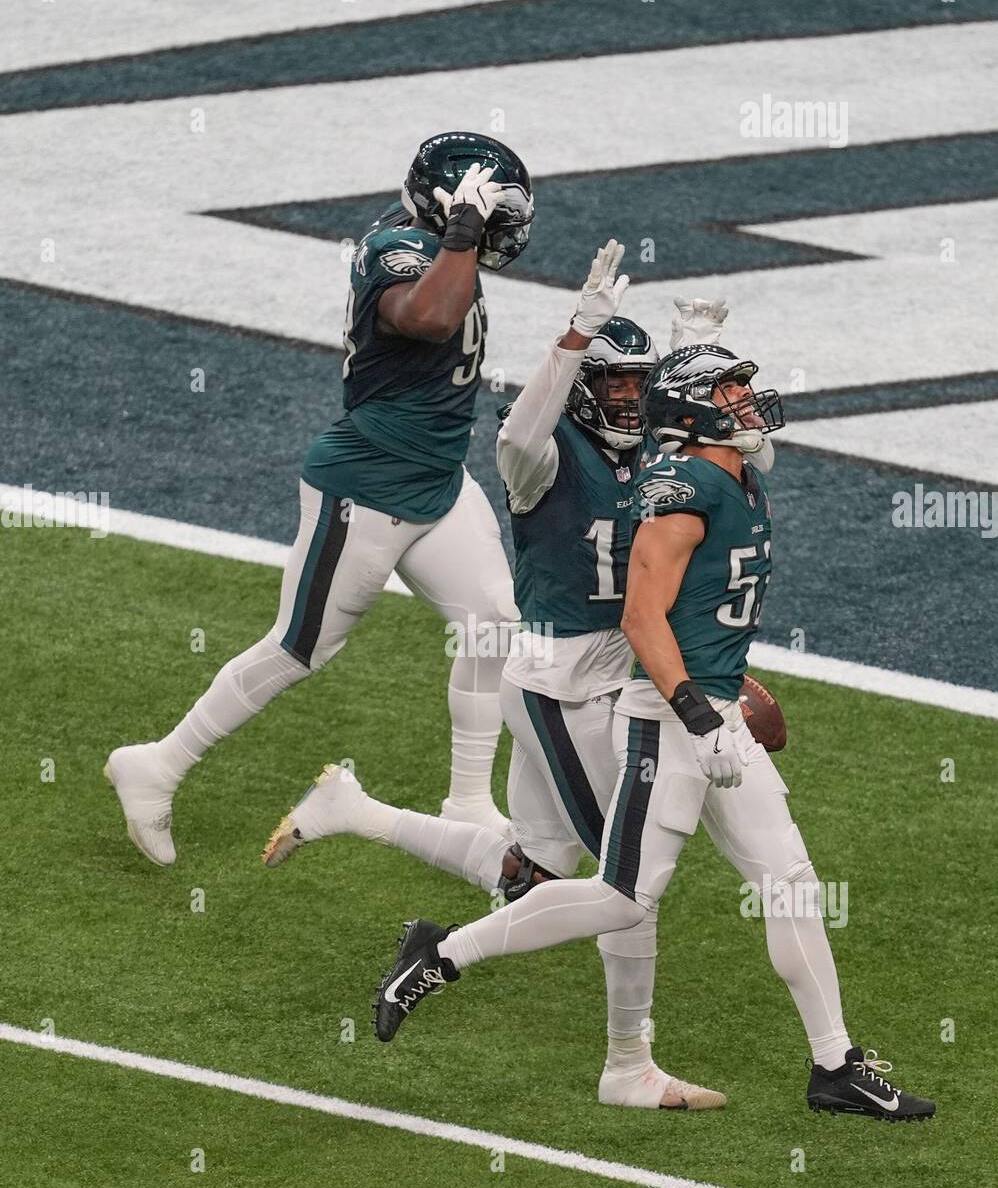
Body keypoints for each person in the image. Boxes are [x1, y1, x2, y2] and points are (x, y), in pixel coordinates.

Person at [370, 331, 937, 1122]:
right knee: (621, 898)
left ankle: (834, 1065)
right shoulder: (682, 493)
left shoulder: (727, 474)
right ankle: (445, 952)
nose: (748, 405)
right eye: (730, 394)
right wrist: (698, 714)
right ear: (697, 417)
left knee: (791, 885)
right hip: (668, 722)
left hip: (715, 711)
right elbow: (642, 618)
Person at [264, 246, 731, 1110]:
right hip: (560, 684)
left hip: (601, 680)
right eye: (614, 384)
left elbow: (704, 424)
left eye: (639, 385)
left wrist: (684, 340)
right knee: (628, 889)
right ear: (583, 386)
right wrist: (574, 333)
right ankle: (620, 1061)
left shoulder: (649, 449)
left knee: (539, 872)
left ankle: (353, 811)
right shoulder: (545, 457)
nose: (630, 398)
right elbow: (516, 431)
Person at [105, 132, 534, 864]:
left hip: (434, 477)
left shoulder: (441, 246)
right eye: (488, 215)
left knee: (493, 621)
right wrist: (462, 233)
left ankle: (466, 797)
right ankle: (155, 766)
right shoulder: (396, 246)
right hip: (366, 484)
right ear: (448, 208)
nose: (501, 231)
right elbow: (425, 318)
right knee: (300, 647)